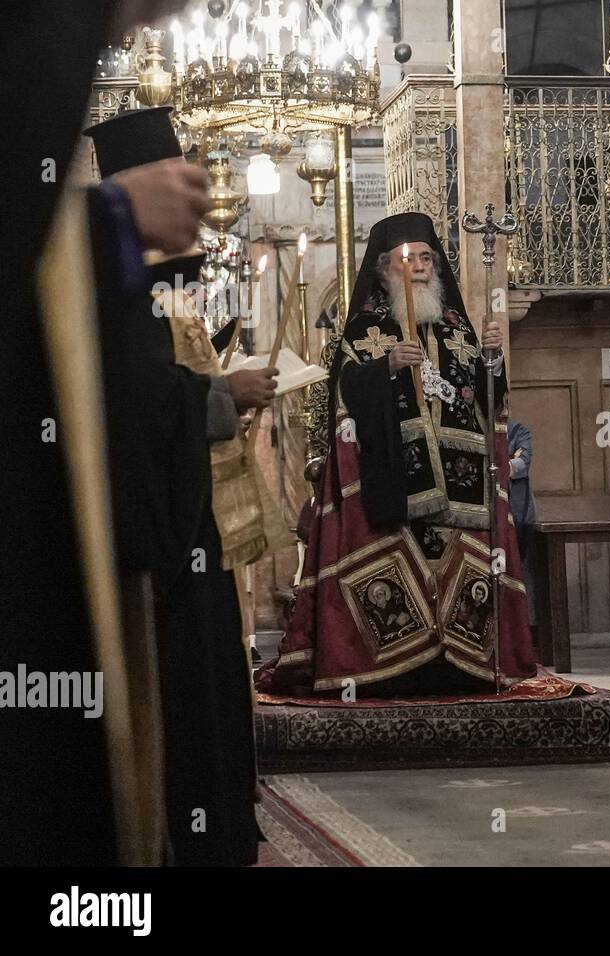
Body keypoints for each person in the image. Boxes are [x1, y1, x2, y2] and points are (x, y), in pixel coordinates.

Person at [84, 105, 270, 866]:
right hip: (153, 543)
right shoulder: (112, 287)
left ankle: (217, 825)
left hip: (194, 528)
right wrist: (224, 397)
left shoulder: (156, 287)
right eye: (177, 177)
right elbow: (134, 397)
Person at [257, 213, 536, 697]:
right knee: (399, 573)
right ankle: (396, 670)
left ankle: (459, 669)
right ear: (386, 267)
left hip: (460, 488)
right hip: (391, 483)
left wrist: (492, 358)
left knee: (457, 574)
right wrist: (386, 367)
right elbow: (344, 398)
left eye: (428, 258)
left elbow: (487, 404)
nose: (422, 268)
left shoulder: (457, 330)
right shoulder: (366, 328)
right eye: (410, 260)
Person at [505, 398, 540, 645]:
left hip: (517, 514)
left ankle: (525, 636)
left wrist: (499, 466)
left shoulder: (517, 430)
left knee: (521, 574)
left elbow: (521, 463)